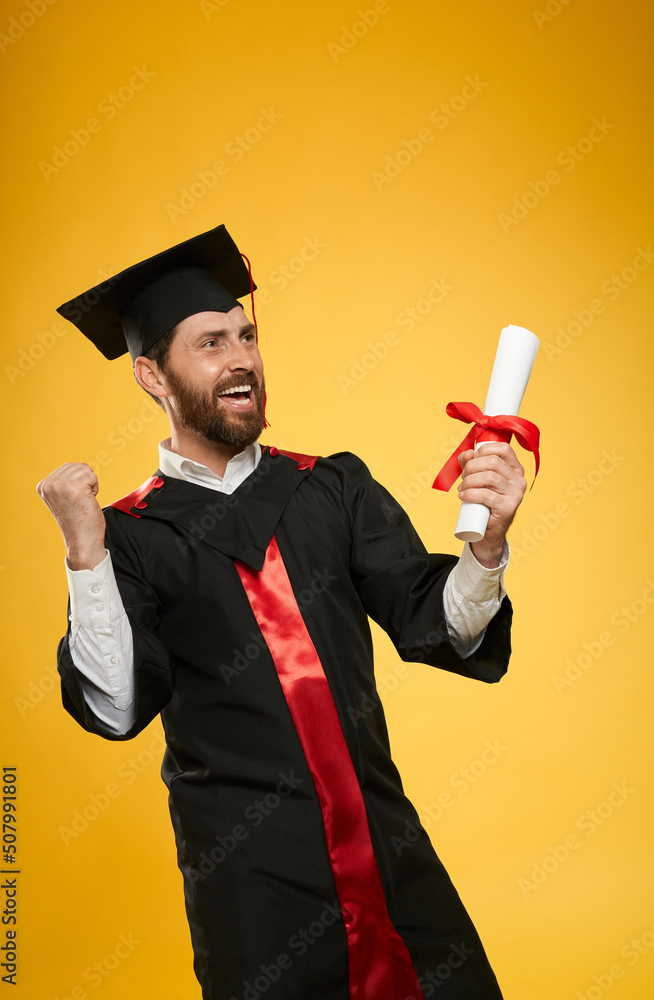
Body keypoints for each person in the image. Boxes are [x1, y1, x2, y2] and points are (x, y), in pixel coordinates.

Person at [37, 225, 526, 1000]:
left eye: (247, 337)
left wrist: (488, 546)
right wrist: (85, 556)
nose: (240, 360)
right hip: (253, 887)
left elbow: (438, 626)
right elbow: (118, 702)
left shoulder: (328, 488)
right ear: (151, 376)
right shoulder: (128, 537)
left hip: (386, 850)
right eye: (208, 344)